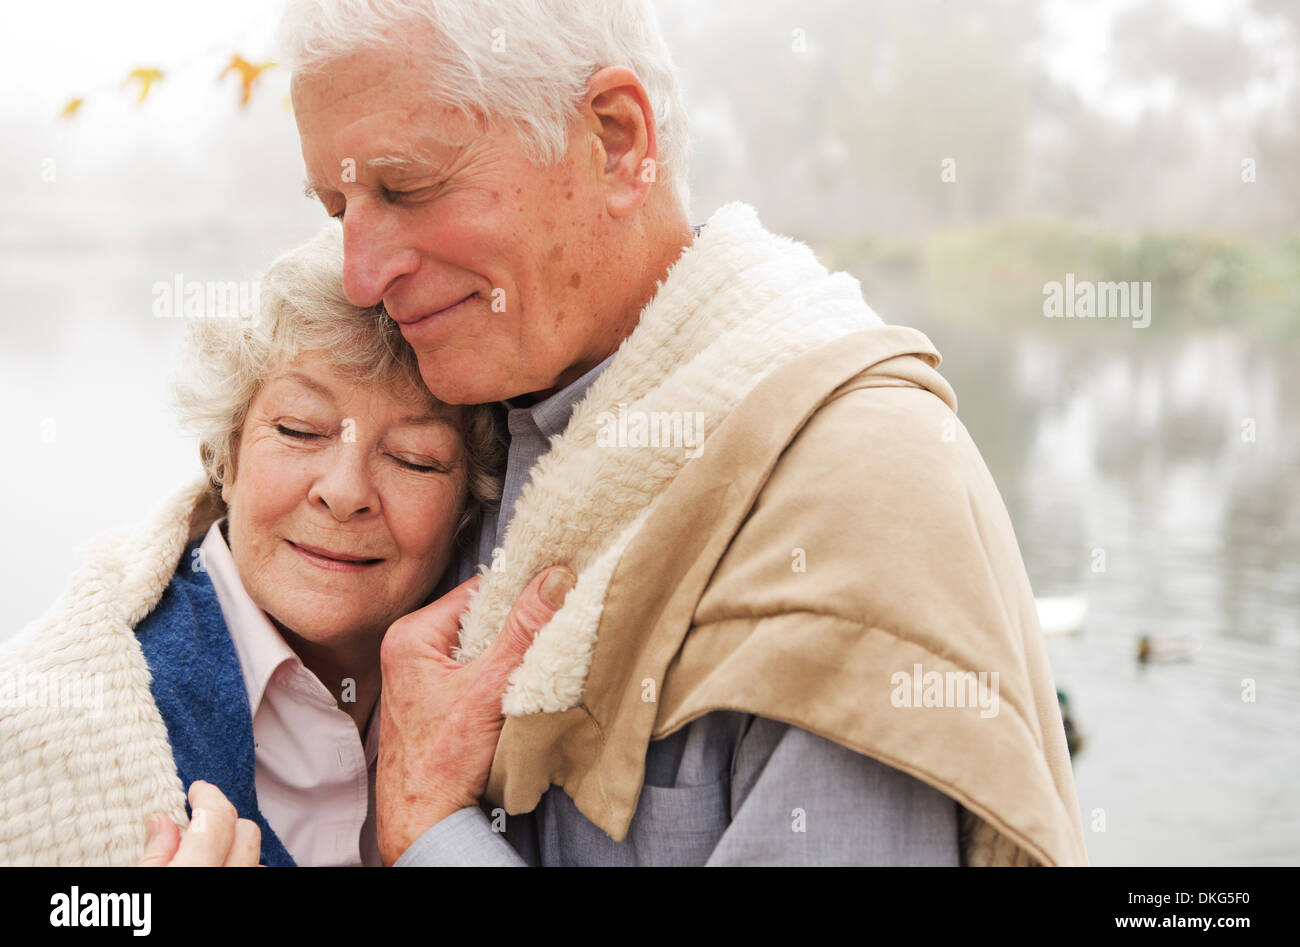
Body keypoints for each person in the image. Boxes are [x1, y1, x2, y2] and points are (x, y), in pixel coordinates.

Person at [281, 0, 1090, 866]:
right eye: (338, 209)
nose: (363, 277)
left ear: (617, 141)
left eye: (407, 188)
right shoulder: (432, 434)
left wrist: (431, 832)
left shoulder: (858, 497)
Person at [0, 224, 564, 866]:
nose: (345, 491)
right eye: (298, 430)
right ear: (227, 455)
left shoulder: (530, 690)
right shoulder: (33, 731)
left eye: (414, 459)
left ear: (469, 502)